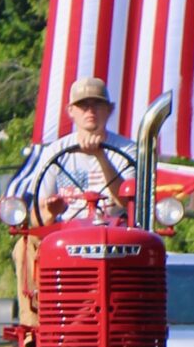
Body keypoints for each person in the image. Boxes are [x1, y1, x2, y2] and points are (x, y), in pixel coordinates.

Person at [12, 77, 138, 327]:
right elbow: (38, 216)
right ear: (71, 111)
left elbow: (125, 199)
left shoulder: (128, 150)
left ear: (109, 110)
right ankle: (33, 328)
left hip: (115, 233)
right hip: (68, 232)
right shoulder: (55, 152)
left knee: (153, 248)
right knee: (23, 246)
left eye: (97, 104)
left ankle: (139, 319)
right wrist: (50, 211)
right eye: (83, 105)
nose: (90, 111)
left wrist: (100, 156)